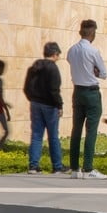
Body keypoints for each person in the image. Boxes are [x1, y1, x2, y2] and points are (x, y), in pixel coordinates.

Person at [65, 18, 107, 178]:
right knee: (91, 131)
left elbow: (71, 62)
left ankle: (74, 169)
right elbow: (104, 74)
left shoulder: (71, 50)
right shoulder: (93, 51)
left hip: (77, 92)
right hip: (91, 93)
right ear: (92, 33)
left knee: (76, 130)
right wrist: (95, 72)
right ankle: (88, 168)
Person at [24, 42, 66, 174]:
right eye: (58, 55)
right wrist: (59, 105)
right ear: (55, 54)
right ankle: (57, 166)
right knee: (53, 136)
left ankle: (33, 166)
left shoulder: (35, 66)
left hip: (35, 104)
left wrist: (33, 99)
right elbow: (54, 90)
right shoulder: (52, 68)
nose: (58, 57)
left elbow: (26, 88)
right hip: (50, 106)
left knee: (36, 135)